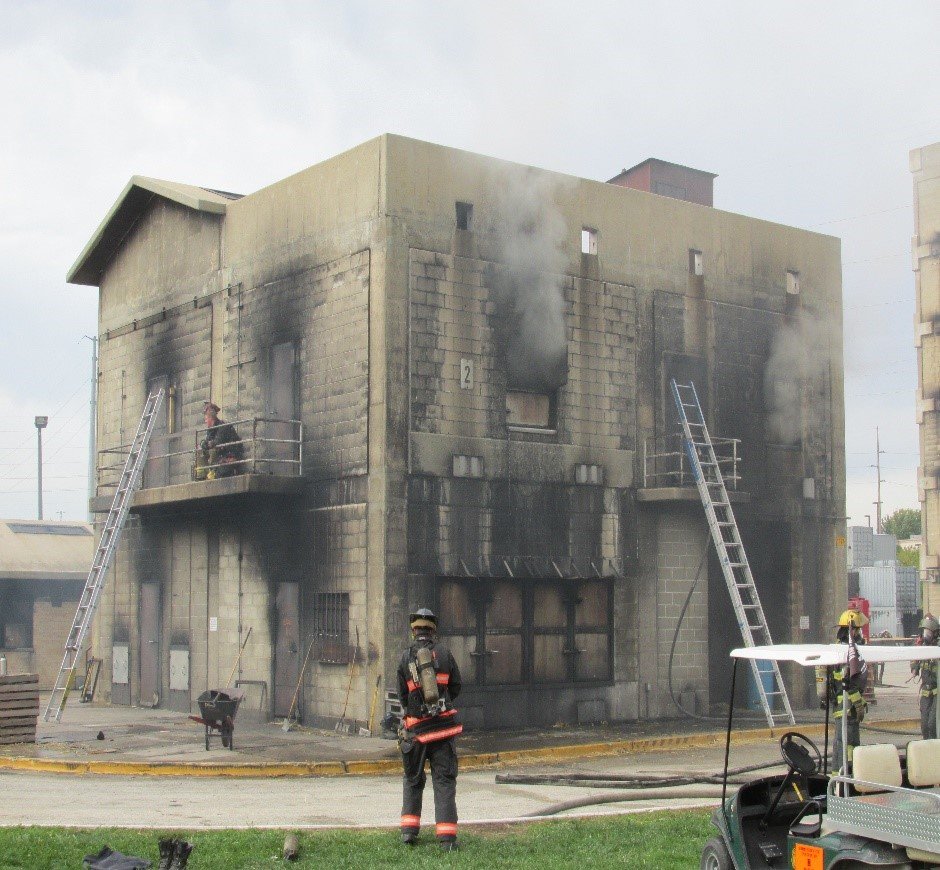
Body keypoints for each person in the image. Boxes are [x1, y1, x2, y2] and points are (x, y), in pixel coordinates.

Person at [396, 607, 463, 852]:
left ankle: (408, 833)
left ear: (414, 630)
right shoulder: (445, 654)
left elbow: (402, 696)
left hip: (415, 732)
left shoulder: (405, 657)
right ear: (433, 630)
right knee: (444, 782)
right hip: (443, 732)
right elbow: (455, 687)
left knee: (412, 780)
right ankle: (447, 839)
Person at [818, 609, 868, 773]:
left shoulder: (837, 650)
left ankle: (836, 778)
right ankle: (849, 778)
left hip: (839, 707)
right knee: (850, 744)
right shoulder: (848, 653)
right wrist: (858, 703)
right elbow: (848, 682)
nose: (860, 633)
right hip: (847, 708)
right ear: (852, 630)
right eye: (858, 629)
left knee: (839, 743)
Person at [195, 402, 244, 479]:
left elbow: (216, 442)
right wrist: (202, 443)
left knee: (213, 450)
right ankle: (201, 475)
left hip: (230, 455)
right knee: (200, 449)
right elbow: (207, 441)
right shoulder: (211, 430)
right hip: (221, 455)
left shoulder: (223, 426)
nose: (205, 421)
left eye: (206, 419)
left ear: (211, 418)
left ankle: (212, 471)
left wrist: (208, 444)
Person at [911, 614, 939, 739]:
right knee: (924, 724)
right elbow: (914, 661)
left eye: (928, 632)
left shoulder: (938, 647)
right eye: (924, 631)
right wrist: (914, 667)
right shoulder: (922, 647)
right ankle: (925, 749)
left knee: (933, 724)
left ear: (935, 632)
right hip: (926, 692)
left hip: (937, 692)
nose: (925, 634)